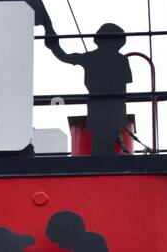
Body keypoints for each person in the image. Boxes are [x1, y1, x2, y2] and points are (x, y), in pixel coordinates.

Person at [46, 23, 133, 156]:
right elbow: (124, 87)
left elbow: (64, 56)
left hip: (97, 105)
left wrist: (54, 46)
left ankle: (100, 164)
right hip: (115, 106)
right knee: (106, 140)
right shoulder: (122, 60)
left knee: (98, 141)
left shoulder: (90, 57)